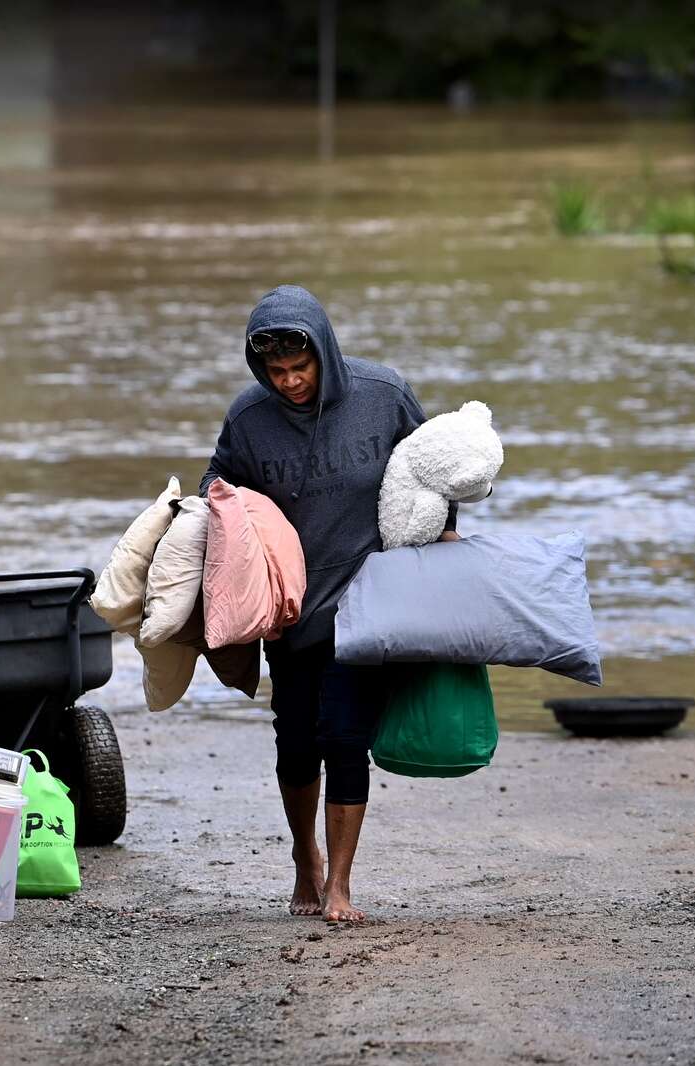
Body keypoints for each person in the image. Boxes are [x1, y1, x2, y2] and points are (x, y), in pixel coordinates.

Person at [201, 284, 456, 922]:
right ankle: (304, 857)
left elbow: (436, 470)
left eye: (300, 367)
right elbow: (218, 485)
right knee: (295, 742)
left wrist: (446, 536)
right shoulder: (248, 420)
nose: (289, 381)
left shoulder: (384, 396)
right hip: (290, 606)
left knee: (345, 737)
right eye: (275, 371)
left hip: (368, 599)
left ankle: (339, 883)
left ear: (326, 353)